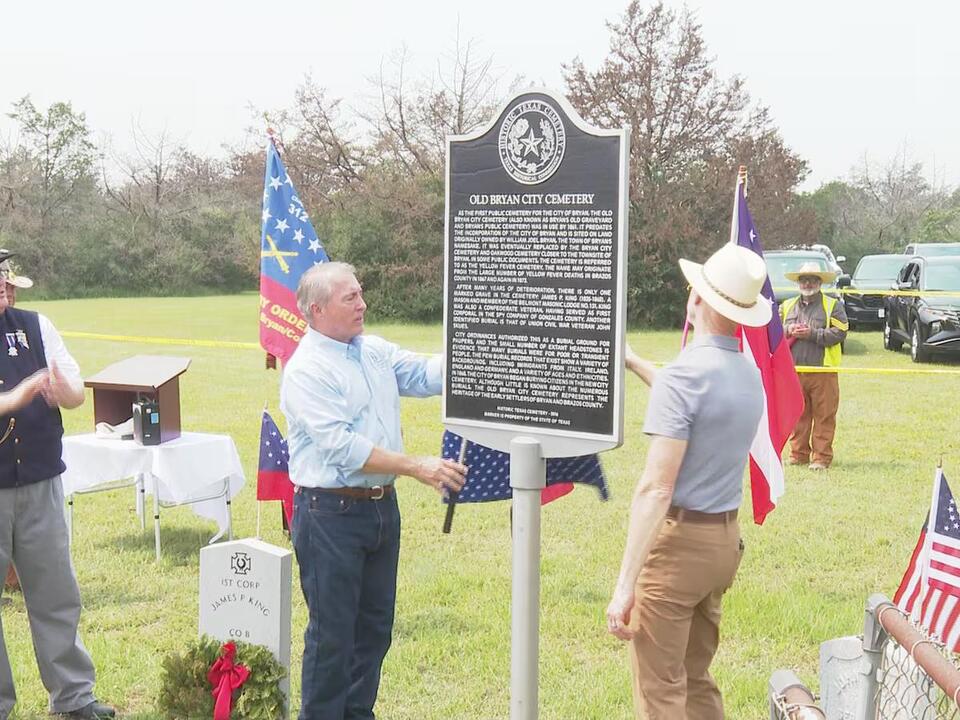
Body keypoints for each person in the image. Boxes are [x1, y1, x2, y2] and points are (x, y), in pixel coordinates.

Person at [280, 261, 466, 720]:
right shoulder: (306, 370)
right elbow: (342, 448)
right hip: (329, 514)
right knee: (333, 637)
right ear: (318, 310)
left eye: (361, 294)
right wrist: (416, 466)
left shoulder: (373, 351)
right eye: (351, 298)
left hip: (381, 510)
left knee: (374, 631)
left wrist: (476, 345)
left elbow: (425, 374)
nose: (363, 304)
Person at [606, 243, 769, 719]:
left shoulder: (685, 377)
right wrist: (635, 362)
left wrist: (624, 586)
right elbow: (695, 398)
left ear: (696, 299)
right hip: (722, 544)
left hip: (677, 549)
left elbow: (655, 489)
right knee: (696, 678)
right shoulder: (748, 374)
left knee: (660, 689)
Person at [0, 250, 115, 720]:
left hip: (40, 479)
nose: (3, 286)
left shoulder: (36, 325)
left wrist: (61, 391)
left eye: (4, 277)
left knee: (55, 592)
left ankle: (73, 696)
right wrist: (18, 395)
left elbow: (74, 391)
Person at [781, 262, 848, 470]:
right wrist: (789, 329)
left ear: (820, 282)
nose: (807, 283)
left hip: (823, 371)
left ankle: (821, 458)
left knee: (824, 415)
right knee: (797, 414)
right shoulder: (786, 306)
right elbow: (772, 331)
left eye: (812, 280)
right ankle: (798, 454)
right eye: (803, 280)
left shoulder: (833, 305)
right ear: (798, 283)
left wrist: (812, 334)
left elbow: (841, 332)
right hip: (795, 371)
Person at [1, 252, 32, 595]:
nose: (9, 293)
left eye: (11, 288)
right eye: (5, 287)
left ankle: (16, 576)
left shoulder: (24, 328)